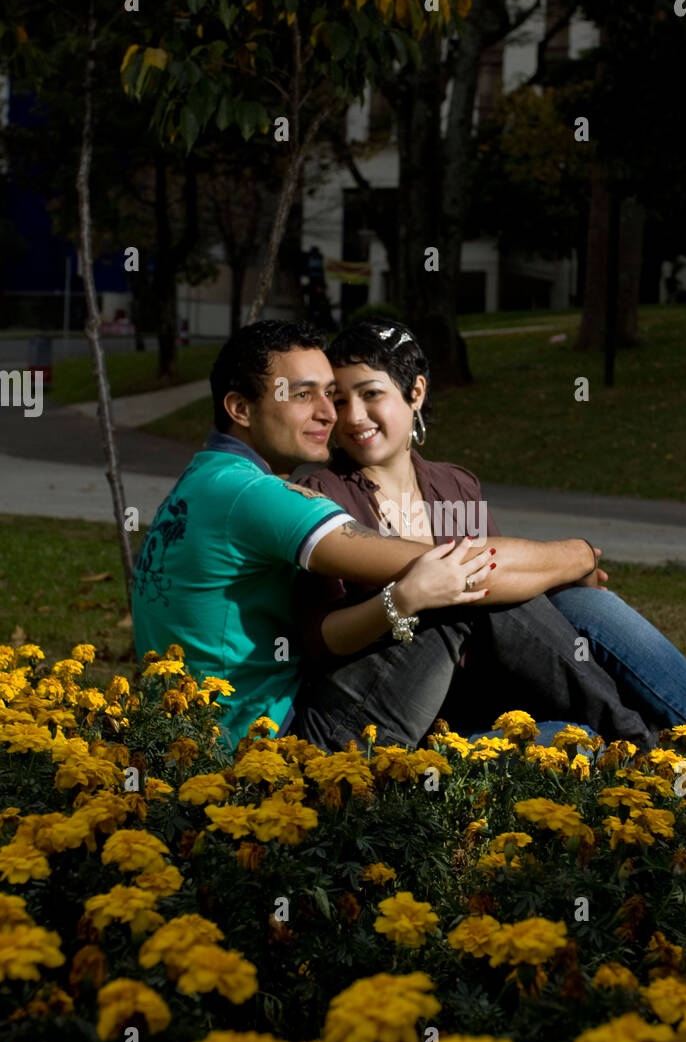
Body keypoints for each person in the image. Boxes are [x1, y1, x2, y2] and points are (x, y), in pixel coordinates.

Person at [131, 320, 652, 751]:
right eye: (303, 395)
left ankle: (623, 741)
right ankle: (642, 749)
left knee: (562, 724)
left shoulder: (201, 483)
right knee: (457, 590)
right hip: (281, 751)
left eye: (327, 394)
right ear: (240, 409)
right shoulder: (259, 495)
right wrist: (579, 555)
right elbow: (451, 566)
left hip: (200, 745)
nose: (329, 414)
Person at [293, 319, 686, 761]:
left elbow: (515, 604)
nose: (354, 417)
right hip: (403, 708)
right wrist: (575, 556)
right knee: (496, 596)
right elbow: (319, 638)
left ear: (415, 392)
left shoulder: (455, 485)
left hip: (485, 689)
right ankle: (661, 741)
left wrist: (562, 578)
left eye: (370, 394)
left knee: (585, 608)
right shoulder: (322, 494)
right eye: (339, 401)